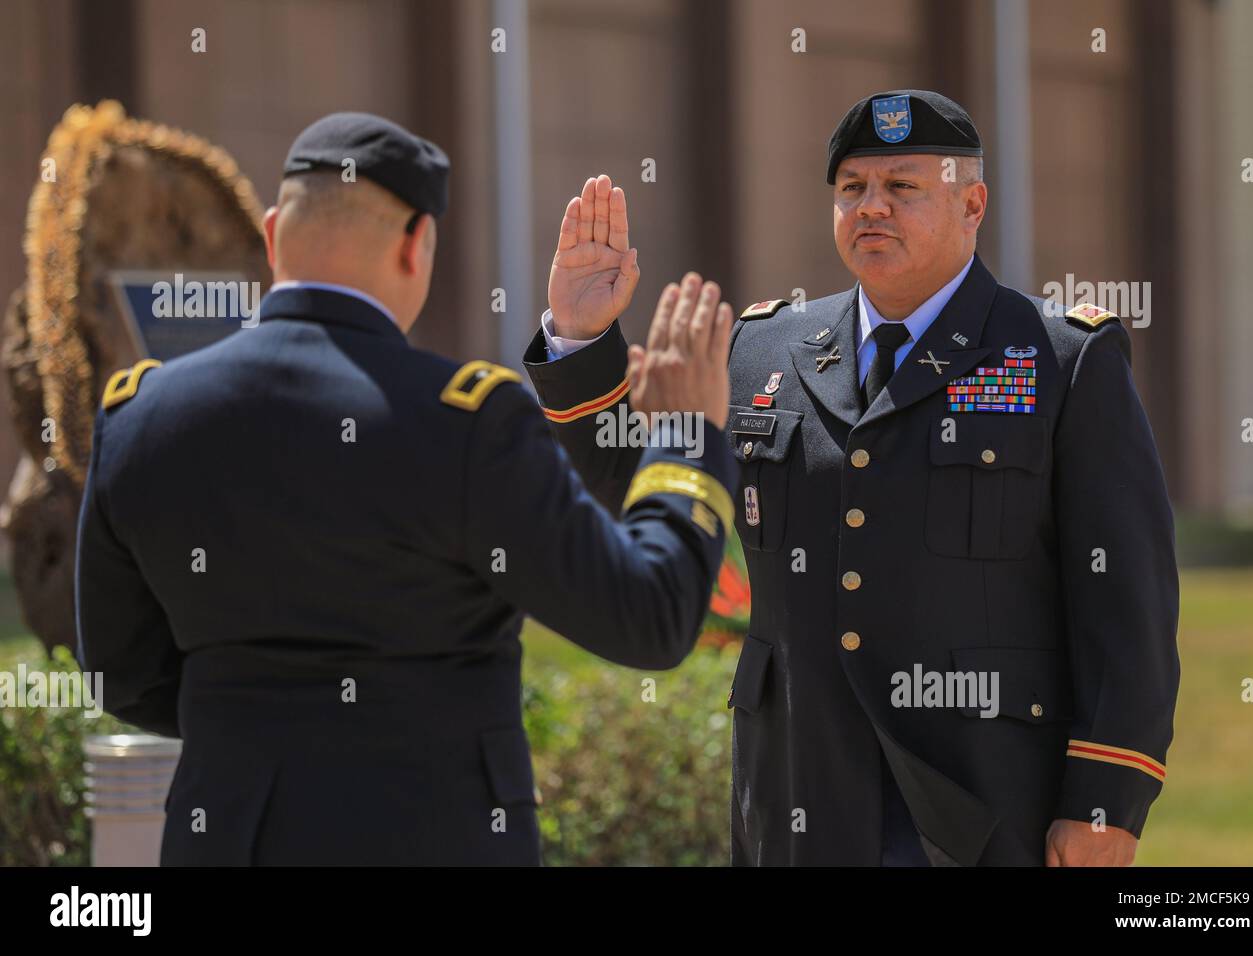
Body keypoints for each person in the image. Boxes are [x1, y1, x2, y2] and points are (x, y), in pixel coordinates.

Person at [528, 90, 1180, 866]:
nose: (872, 208)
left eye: (902, 188)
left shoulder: (1058, 358)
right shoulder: (764, 351)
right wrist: (581, 335)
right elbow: (638, 487)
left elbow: (1126, 596)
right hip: (798, 797)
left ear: (971, 203)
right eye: (852, 190)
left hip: (983, 807)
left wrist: (1106, 801)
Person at [75, 112, 737, 865]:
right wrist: (683, 433)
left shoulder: (141, 416)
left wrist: (254, 731)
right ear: (415, 243)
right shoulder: (466, 423)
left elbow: (122, 677)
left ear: (271, 234)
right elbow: (648, 617)